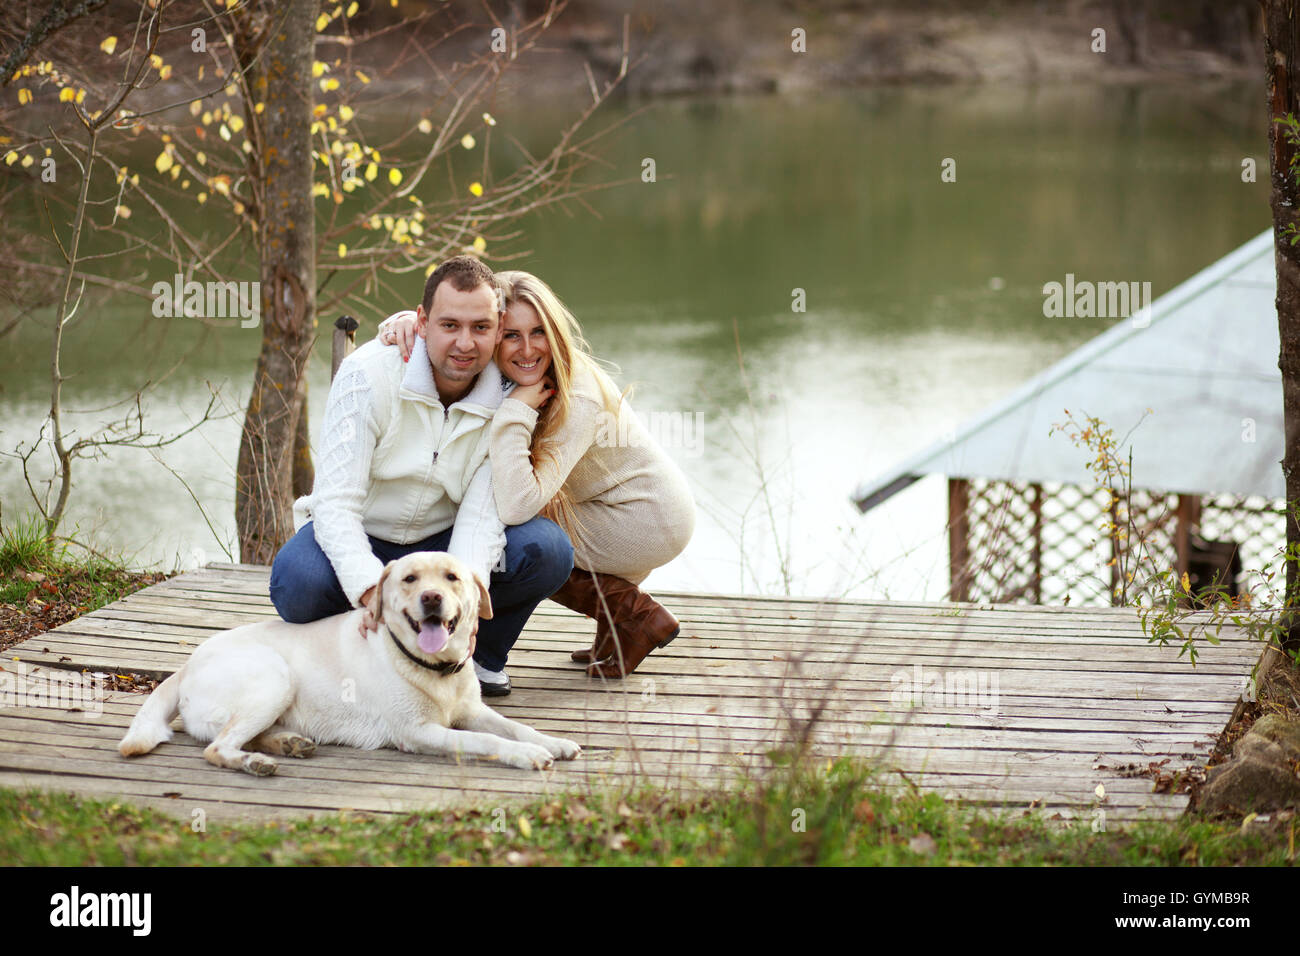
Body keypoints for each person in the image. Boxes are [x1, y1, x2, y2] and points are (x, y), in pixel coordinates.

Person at [269, 256, 574, 698]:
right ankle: (365, 661)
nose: (465, 343)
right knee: (298, 585)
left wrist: (465, 610)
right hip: (363, 532)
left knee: (545, 550)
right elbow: (336, 504)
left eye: (481, 328)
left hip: (441, 544)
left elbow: (481, 517)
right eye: (449, 325)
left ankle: (478, 656)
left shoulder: (508, 396)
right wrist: (374, 589)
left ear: (497, 325)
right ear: (422, 322)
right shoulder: (367, 375)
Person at [378, 270, 694, 678]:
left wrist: (515, 413)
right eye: (511, 335)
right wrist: (407, 323)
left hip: (644, 518)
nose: (526, 349)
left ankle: (635, 615)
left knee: (521, 539)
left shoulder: (574, 396)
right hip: (621, 508)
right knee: (502, 518)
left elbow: (516, 504)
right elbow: (455, 322)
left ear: (556, 333)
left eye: (538, 332)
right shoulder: (527, 371)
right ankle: (619, 623)